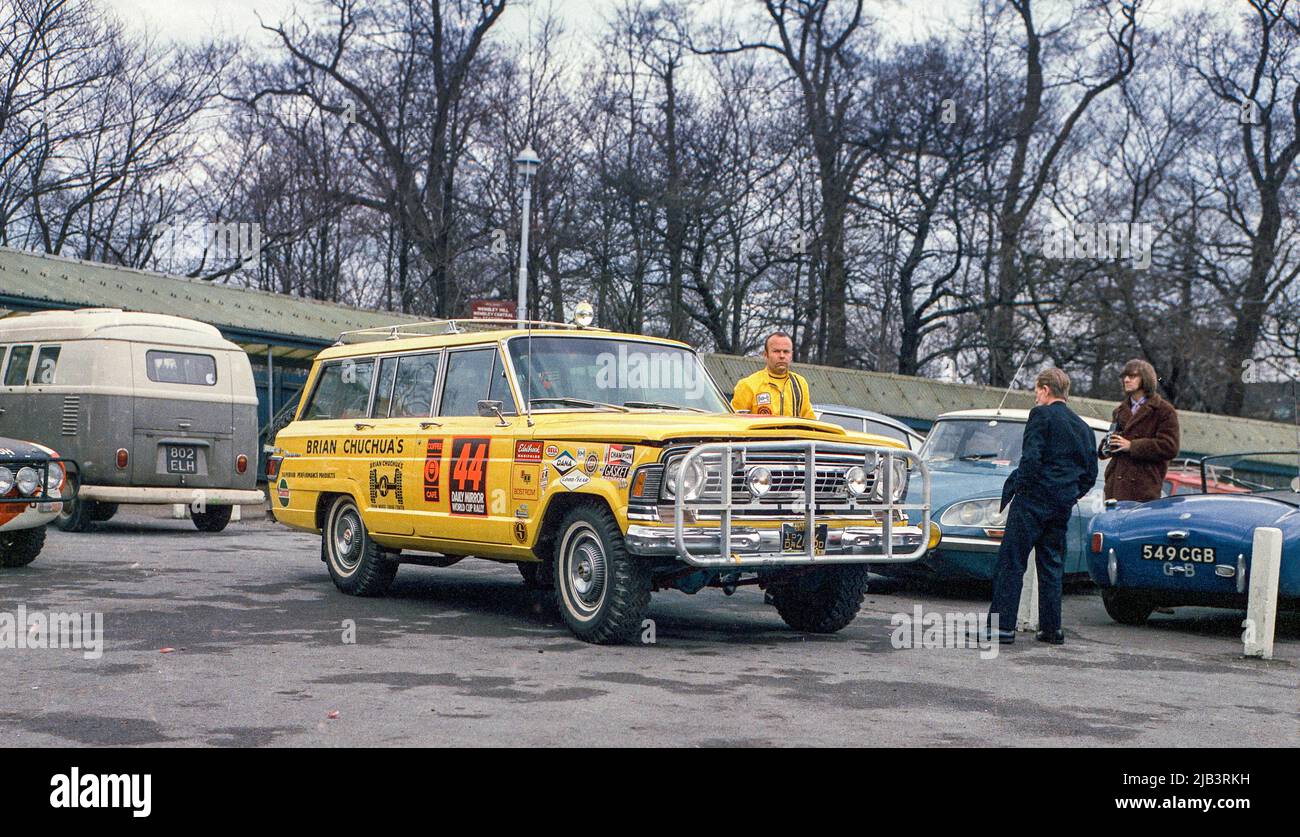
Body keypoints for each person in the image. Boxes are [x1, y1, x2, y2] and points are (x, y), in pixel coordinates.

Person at [983, 368, 1098, 646]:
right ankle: (1050, 629)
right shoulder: (1083, 428)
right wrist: (1069, 495)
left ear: (1046, 389)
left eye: (1037, 390)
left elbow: (1031, 458)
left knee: (1012, 562)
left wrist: (1023, 487)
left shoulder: (1041, 415)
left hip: (1032, 500)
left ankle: (1002, 627)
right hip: (1061, 505)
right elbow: (1090, 474)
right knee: (1051, 566)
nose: (1035, 396)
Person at [1099, 359, 1180, 502]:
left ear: (1145, 379)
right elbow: (1110, 443)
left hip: (1143, 490)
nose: (1126, 380)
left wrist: (1132, 446)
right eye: (1125, 376)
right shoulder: (1119, 411)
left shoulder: (1164, 411)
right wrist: (1108, 446)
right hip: (1115, 489)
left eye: (1132, 376)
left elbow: (1170, 447)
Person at [731, 331, 816, 418]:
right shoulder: (747, 385)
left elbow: (809, 420)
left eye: (786, 351)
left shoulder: (800, 384)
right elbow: (735, 423)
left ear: (791, 355)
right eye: (776, 351)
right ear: (766, 354)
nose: (782, 356)